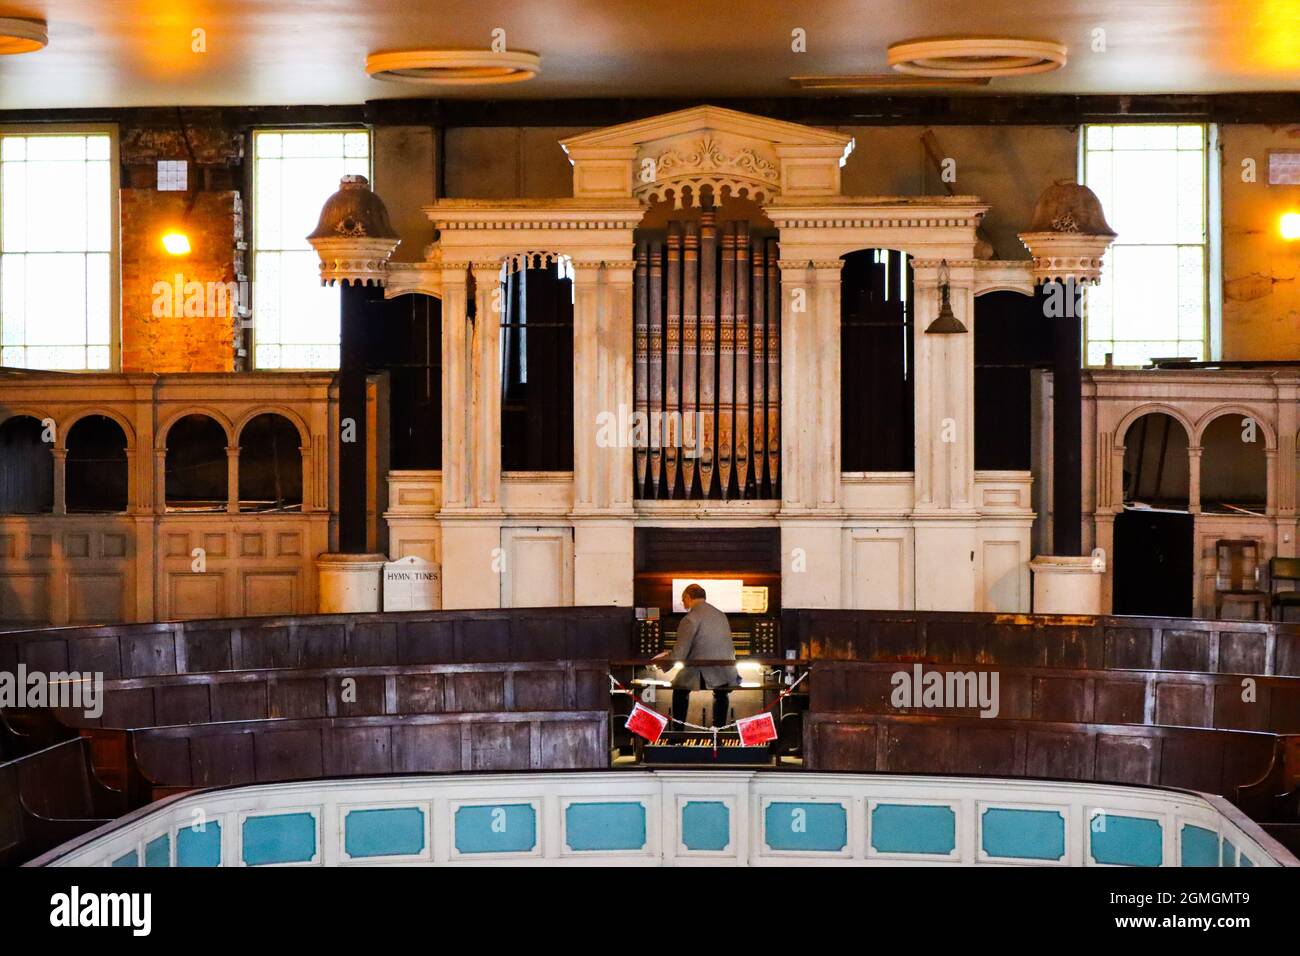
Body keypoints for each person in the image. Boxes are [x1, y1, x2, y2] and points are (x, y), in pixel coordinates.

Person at [652, 583, 740, 728]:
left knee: (679, 688)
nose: (683, 603)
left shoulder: (690, 618)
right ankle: (718, 732)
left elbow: (679, 654)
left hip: (703, 671)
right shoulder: (720, 615)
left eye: (683, 600)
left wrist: (661, 662)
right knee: (721, 693)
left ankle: (677, 734)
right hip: (726, 673)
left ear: (688, 597)